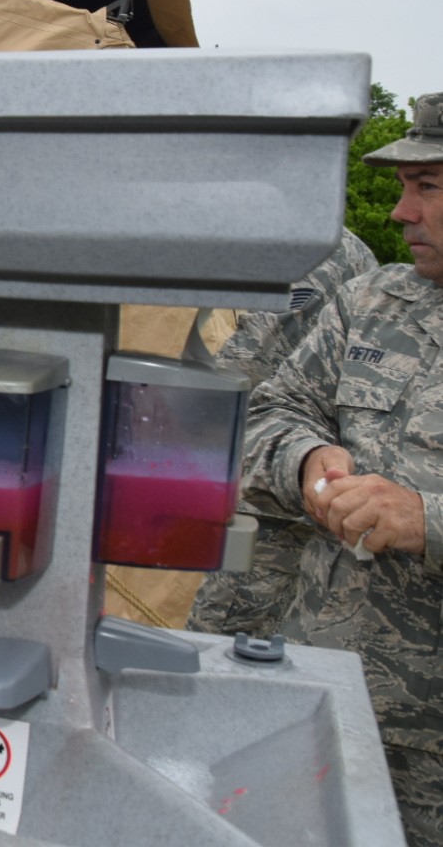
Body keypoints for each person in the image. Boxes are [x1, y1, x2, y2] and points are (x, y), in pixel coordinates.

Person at [244, 91, 443, 846]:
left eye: (426, 186)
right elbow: (272, 411)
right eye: (402, 186)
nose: (399, 212)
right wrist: (306, 458)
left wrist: (426, 520)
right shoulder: (374, 300)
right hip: (318, 696)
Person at [185, 227, 377, 637]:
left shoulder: (326, 254)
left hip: (267, 515)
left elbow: (241, 373)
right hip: (192, 487)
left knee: (222, 656)